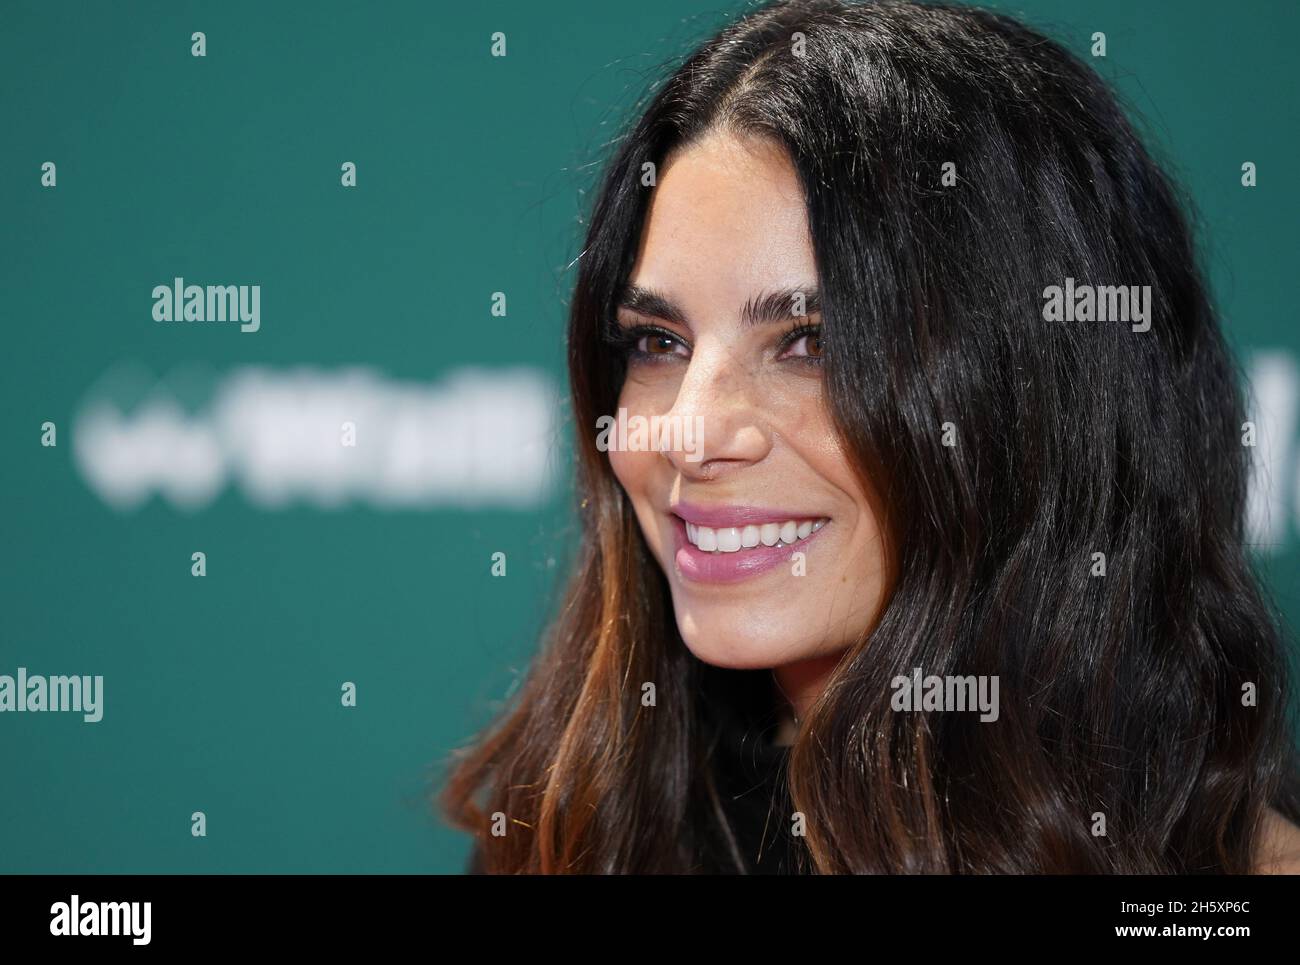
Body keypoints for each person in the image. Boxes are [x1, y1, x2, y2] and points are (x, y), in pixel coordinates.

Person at [443, 0, 1300, 873]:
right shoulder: (574, 835)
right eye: (658, 343)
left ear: (1030, 392)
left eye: (813, 342)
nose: (690, 431)